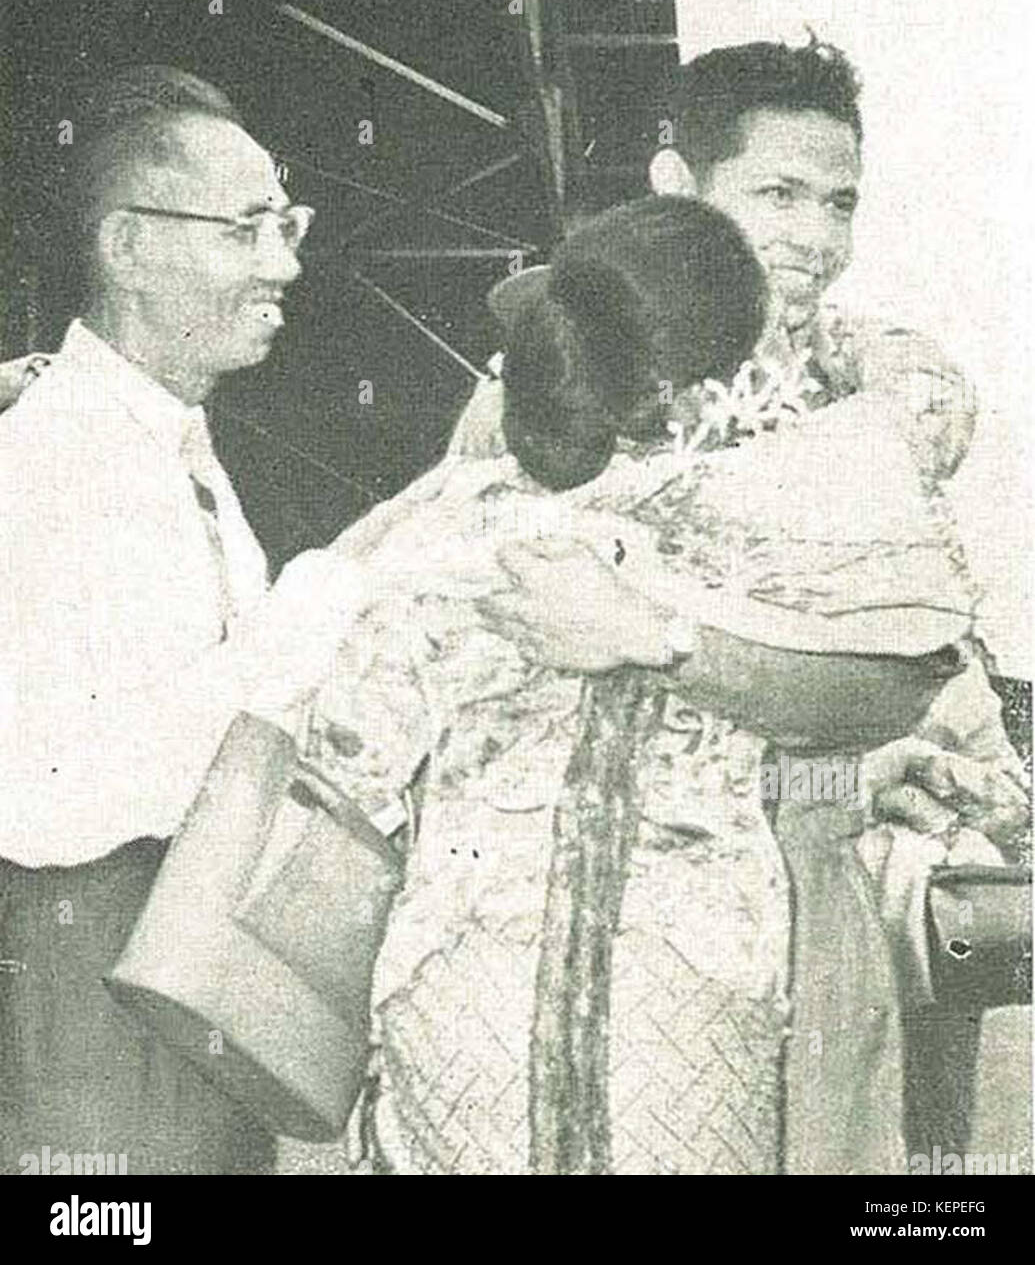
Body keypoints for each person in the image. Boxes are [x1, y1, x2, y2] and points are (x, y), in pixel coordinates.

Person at [308, 196, 1024, 1175]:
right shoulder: (766, 540)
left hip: (463, 1023)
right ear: (719, 384)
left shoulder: (450, 525)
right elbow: (863, 690)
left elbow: (350, 760)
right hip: (687, 1036)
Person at [0, 66, 371, 1174]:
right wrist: (322, 602)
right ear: (129, 248)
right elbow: (44, 795)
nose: (285, 264)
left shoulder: (179, 454)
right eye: (246, 230)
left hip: (187, 981)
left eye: (287, 222)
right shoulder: (47, 461)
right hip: (92, 999)